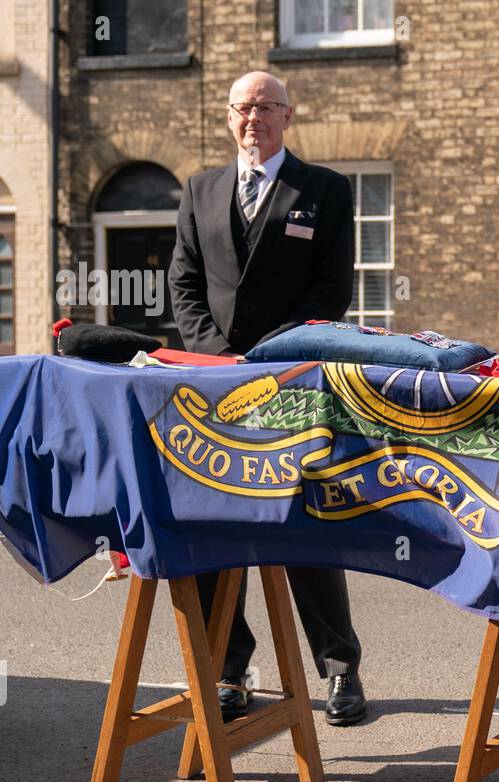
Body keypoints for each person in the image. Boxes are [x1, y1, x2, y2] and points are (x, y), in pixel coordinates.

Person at [169, 70, 368, 726]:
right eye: (241, 109)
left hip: (292, 385)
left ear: (287, 116)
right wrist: (216, 355)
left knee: (304, 524)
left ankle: (340, 669)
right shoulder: (198, 191)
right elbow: (186, 284)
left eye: (264, 108)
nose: (251, 119)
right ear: (229, 118)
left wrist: (268, 357)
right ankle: (231, 670)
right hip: (214, 386)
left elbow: (330, 290)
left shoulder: (326, 191)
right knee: (212, 524)